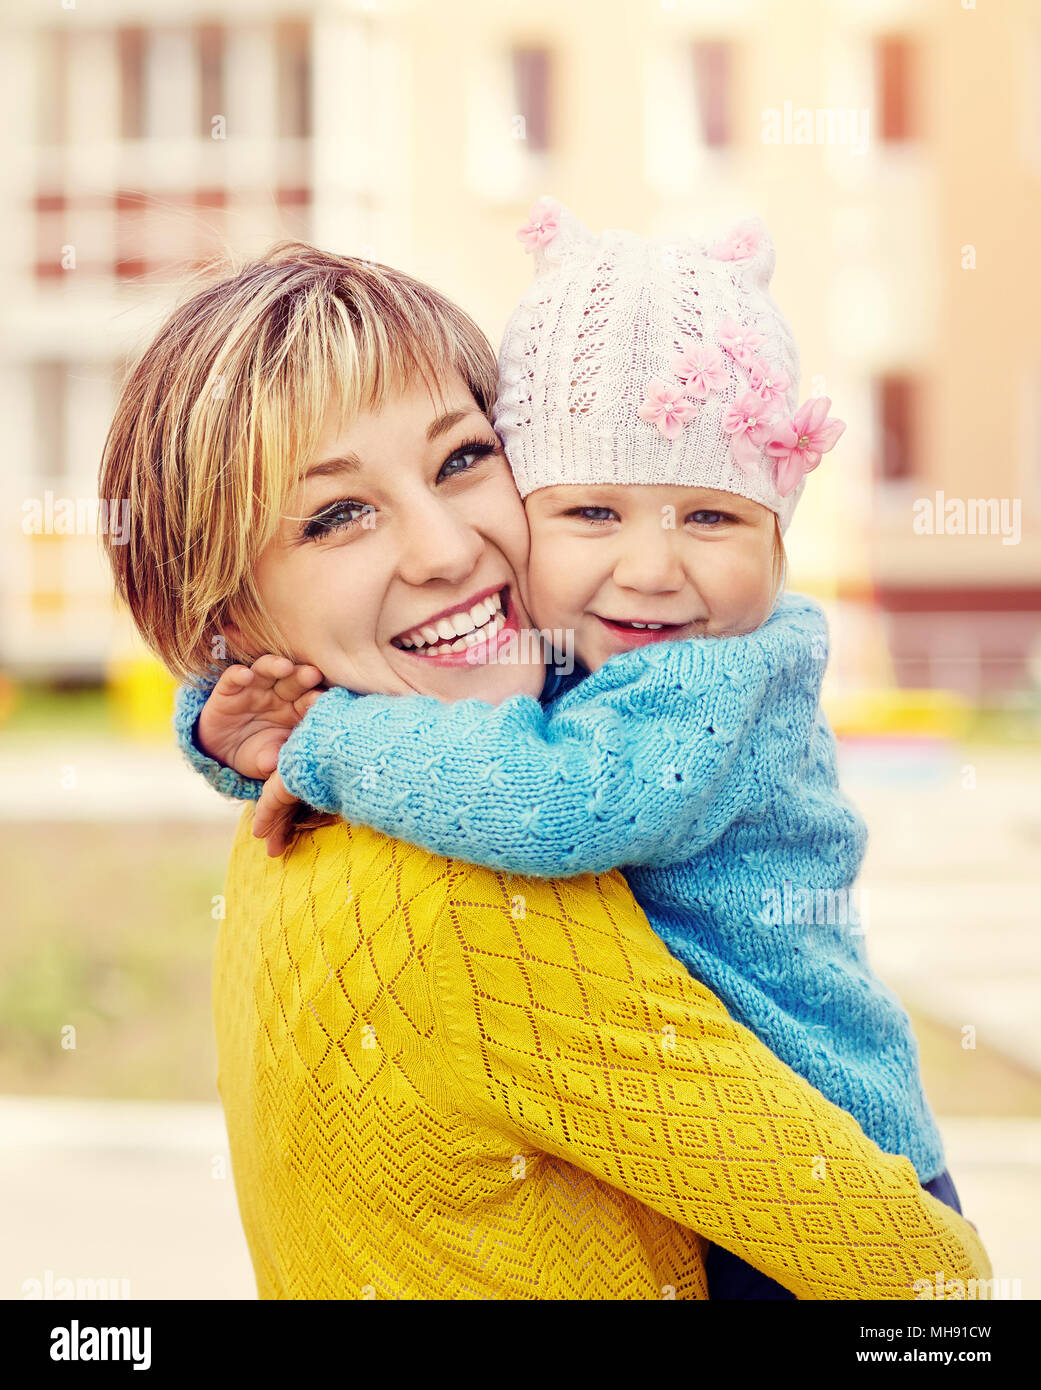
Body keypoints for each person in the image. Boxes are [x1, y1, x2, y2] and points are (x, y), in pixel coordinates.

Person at [100, 237, 991, 1299]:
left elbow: (559, 794)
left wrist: (309, 738)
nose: (445, 549)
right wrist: (230, 726)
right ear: (227, 614)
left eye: (462, 459)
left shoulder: (343, 819)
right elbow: (929, 1284)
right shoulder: (467, 904)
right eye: (338, 514)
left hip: (846, 1112)